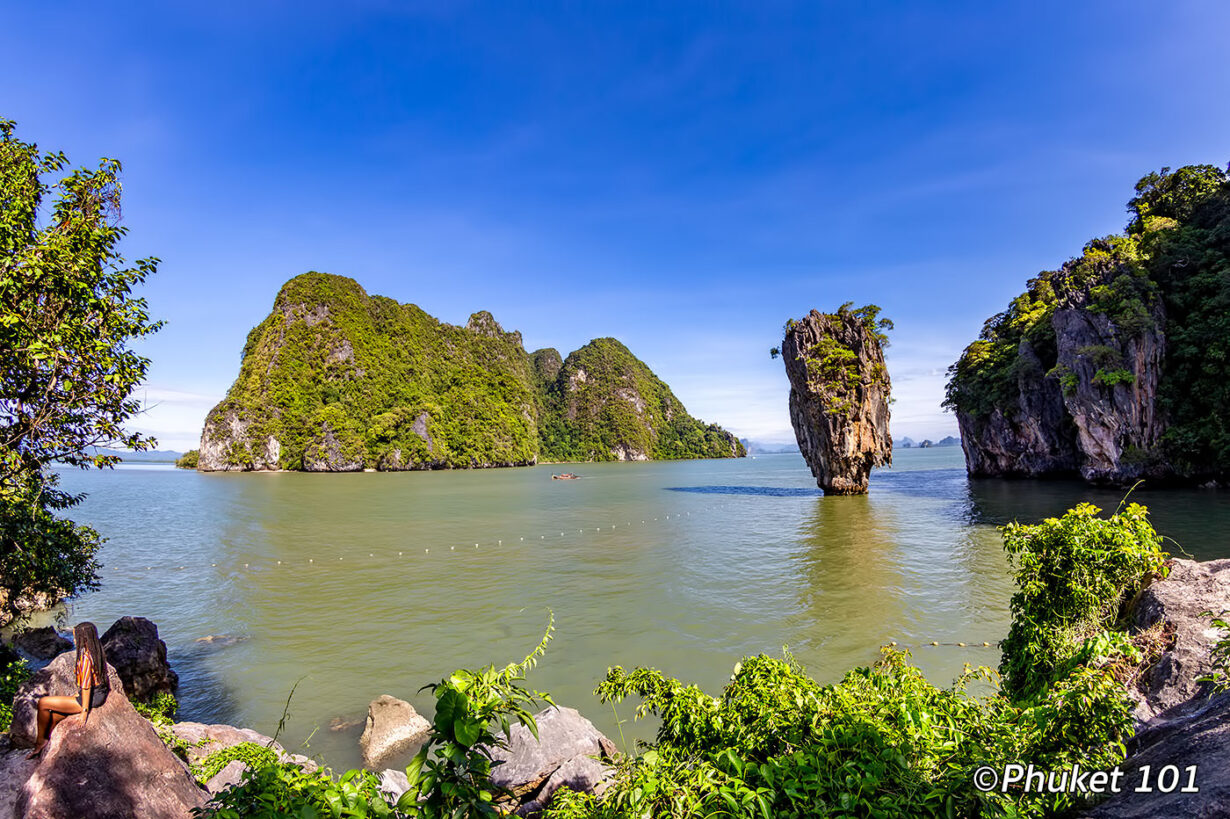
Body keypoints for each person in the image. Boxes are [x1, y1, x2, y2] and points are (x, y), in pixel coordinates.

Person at [26, 622, 109, 759]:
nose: (74, 640)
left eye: (76, 638)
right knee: (53, 717)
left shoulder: (85, 658)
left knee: (43, 703)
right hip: (99, 693)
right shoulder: (96, 651)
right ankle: (48, 745)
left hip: (89, 698)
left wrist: (84, 711)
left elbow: (86, 686)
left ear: (84, 639)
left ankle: (40, 742)